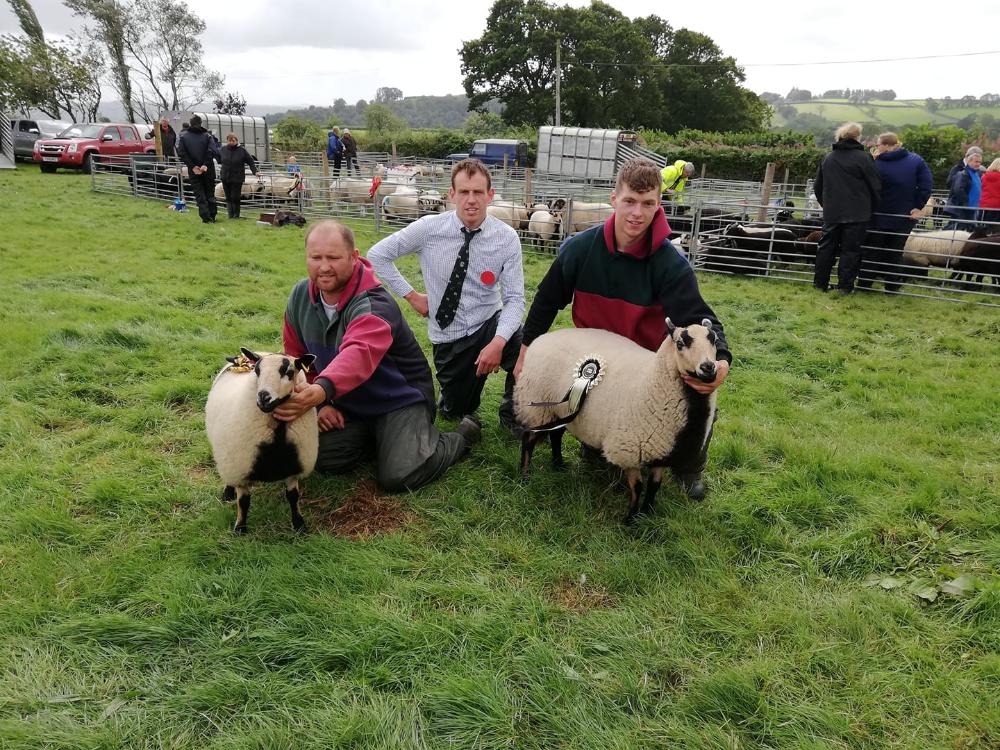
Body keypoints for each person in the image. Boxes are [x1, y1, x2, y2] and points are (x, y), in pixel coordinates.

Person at [513, 158, 731, 499]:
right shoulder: (580, 249)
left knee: (696, 397)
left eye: (648, 204)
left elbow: (701, 318)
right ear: (614, 199)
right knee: (597, 446)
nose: (637, 213)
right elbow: (547, 299)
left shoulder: (669, 264)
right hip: (592, 362)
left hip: (643, 364)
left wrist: (722, 362)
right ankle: (591, 439)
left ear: (659, 204)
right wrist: (526, 347)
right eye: (630, 201)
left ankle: (689, 465)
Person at [275, 220, 481, 491]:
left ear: (353, 257)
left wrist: (320, 391)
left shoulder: (374, 304)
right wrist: (321, 405)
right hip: (348, 403)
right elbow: (297, 357)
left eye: (334, 258)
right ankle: (387, 442)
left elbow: (358, 354)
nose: (324, 266)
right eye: (316, 257)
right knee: (315, 456)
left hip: (400, 400)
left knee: (400, 474)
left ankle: (460, 437)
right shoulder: (300, 296)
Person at [367, 159, 526, 432]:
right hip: (449, 336)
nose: (471, 200)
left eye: (478, 192)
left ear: (490, 194)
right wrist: (412, 296)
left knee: (526, 348)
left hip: (488, 321)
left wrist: (498, 342)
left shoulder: (507, 238)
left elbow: (515, 299)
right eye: (464, 192)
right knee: (456, 411)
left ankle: (512, 414)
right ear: (451, 195)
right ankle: (454, 395)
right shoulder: (429, 228)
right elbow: (377, 255)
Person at [812, 122, 882, 295]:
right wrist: (872, 207)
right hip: (858, 213)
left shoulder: (829, 157)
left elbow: (817, 186)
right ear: (857, 137)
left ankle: (820, 284)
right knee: (850, 250)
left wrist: (825, 204)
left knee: (826, 248)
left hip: (832, 212)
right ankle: (845, 287)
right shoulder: (864, 158)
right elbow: (875, 185)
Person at [858, 132, 932, 293]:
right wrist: (917, 206)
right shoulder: (916, 161)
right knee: (895, 251)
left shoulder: (874, 162)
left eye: (878, 145)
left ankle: (864, 285)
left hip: (876, 214)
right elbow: (926, 185)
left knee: (871, 250)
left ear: (886, 145)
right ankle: (892, 287)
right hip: (903, 216)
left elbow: (864, 187)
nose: (876, 148)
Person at [176, 114, 218, 224]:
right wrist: (205, 164)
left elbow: (182, 153)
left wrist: (192, 166)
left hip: (194, 170)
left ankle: (205, 217)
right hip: (208, 169)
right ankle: (212, 216)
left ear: (190, 124)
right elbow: (212, 151)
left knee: (199, 194)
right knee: (210, 193)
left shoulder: (184, 137)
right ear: (200, 123)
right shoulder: (207, 136)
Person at [219, 132, 259, 219]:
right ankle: (230, 215)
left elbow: (250, 161)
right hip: (225, 176)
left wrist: (255, 171)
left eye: (233, 140)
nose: (232, 142)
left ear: (237, 141)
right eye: (230, 140)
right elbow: (219, 159)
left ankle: (236, 215)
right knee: (228, 196)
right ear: (227, 141)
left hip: (237, 177)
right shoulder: (223, 149)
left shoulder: (242, 150)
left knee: (235, 196)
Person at [945, 147, 984, 230]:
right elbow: (958, 189)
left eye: (980, 162)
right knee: (957, 229)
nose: (978, 164)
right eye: (976, 161)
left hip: (972, 208)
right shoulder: (963, 174)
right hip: (963, 208)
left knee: (967, 229)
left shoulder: (977, 174)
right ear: (969, 161)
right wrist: (966, 203)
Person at [979, 157, 1000, 227]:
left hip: (984, 205)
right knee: (995, 229)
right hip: (997, 206)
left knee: (983, 227)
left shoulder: (984, 176)